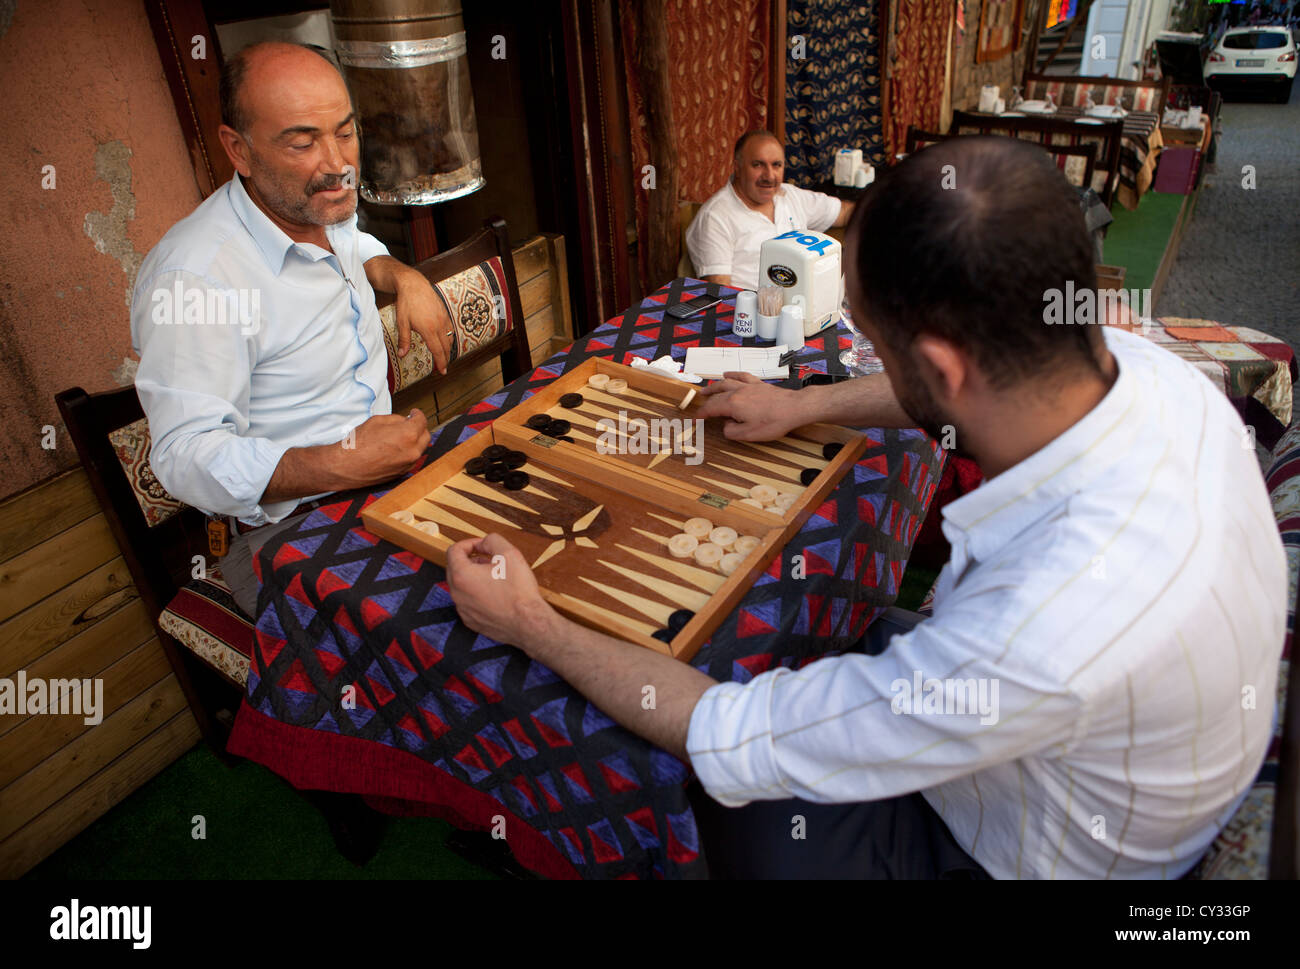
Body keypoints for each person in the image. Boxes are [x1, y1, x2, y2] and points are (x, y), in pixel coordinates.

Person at [446, 136, 1286, 879]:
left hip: (1028, 850)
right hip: (1109, 751)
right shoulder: (1154, 376)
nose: (862, 349)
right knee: (843, 631)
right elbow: (955, 383)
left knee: (734, 805)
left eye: (871, 339)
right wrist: (803, 406)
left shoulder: (1034, 634)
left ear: (942, 366)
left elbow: (726, 734)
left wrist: (533, 621)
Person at [130, 42, 452, 617]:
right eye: (302, 142)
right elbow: (182, 455)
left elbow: (355, 246)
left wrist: (401, 274)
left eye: (346, 132)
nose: (337, 163)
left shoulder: (316, 204)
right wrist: (338, 462)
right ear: (240, 150)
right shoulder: (194, 279)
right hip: (289, 533)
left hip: (391, 483)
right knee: (438, 653)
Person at [685, 130, 854, 291]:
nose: (769, 176)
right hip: (753, 316)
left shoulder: (790, 196)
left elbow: (845, 212)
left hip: (809, 308)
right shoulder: (715, 217)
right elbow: (720, 292)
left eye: (776, 165)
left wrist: (877, 213)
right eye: (758, 165)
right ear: (738, 167)